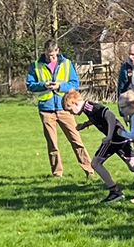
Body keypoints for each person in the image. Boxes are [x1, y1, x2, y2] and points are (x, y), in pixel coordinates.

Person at [26, 41, 91, 178]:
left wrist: (59, 87)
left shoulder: (66, 64)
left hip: (65, 108)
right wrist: (44, 85)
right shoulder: (36, 66)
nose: (51, 58)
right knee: (52, 143)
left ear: (57, 51)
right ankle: (57, 173)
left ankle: (89, 170)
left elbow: (74, 83)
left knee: (76, 140)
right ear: (44, 52)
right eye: (48, 55)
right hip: (46, 109)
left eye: (53, 55)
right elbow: (30, 85)